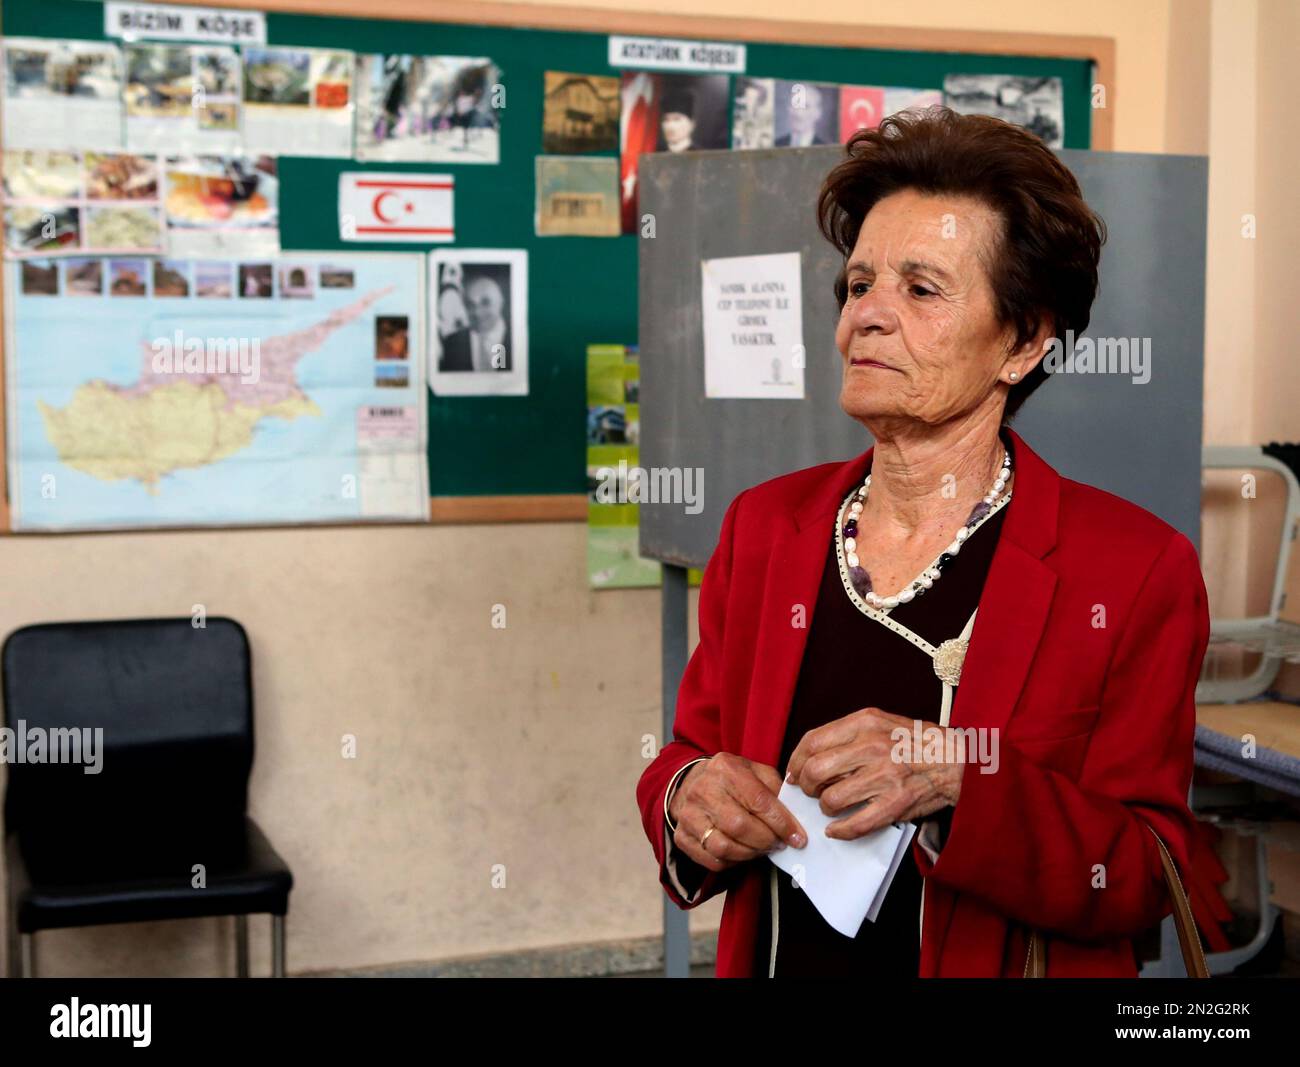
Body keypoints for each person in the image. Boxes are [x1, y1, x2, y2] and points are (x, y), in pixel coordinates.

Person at [636, 106, 1218, 977]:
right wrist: (688, 794)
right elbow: (688, 752)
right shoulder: (765, 527)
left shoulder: (1132, 569)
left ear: (1021, 342)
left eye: (920, 288)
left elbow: (1145, 875)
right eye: (859, 283)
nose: (865, 316)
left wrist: (960, 785)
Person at [438, 274, 511, 373]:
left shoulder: (518, 338)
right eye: (470, 305)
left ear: (501, 302)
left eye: (486, 302)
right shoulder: (452, 343)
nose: (477, 312)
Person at [775, 82, 832, 146]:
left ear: (818, 113)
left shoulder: (824, 148)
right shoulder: (776, 144)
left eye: (806, 107)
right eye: (795, 106)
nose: (798, 113)